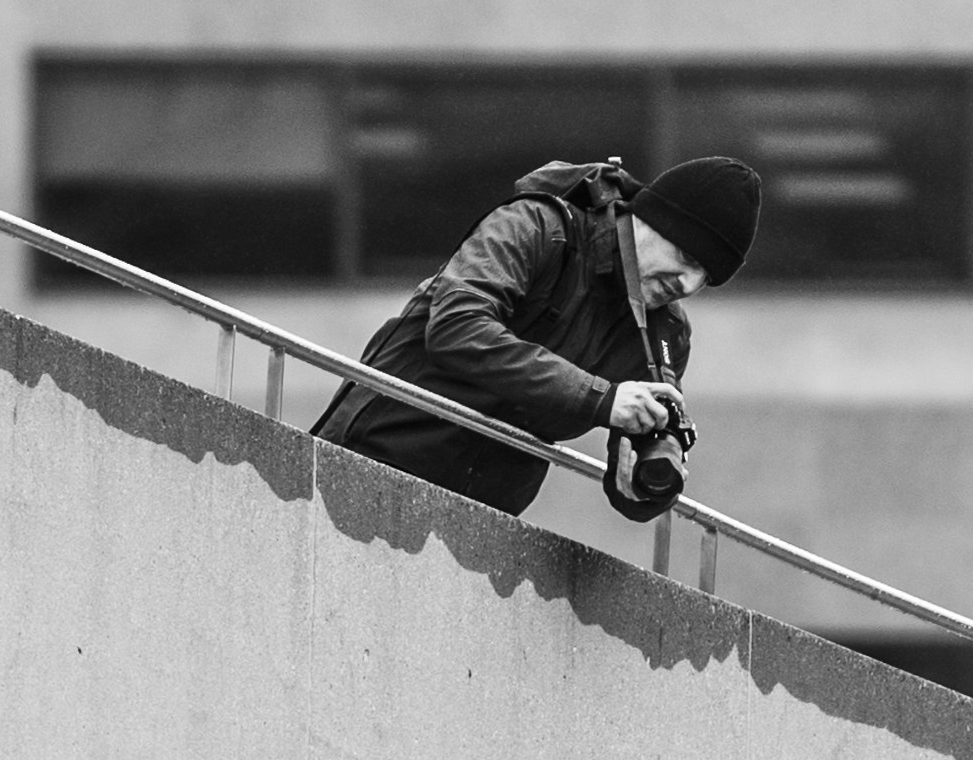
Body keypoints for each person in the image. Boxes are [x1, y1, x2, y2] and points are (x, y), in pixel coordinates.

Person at [312, 148, 762, 522]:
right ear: (649, 218)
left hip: (482, 522)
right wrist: (601, 399)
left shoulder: (666, 332)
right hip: (364, 468)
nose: (687, 283)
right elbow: (457, 327)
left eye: (706, 276)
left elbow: (633, 478)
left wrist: (644, 485)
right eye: (686, 255)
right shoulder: (538, 227)